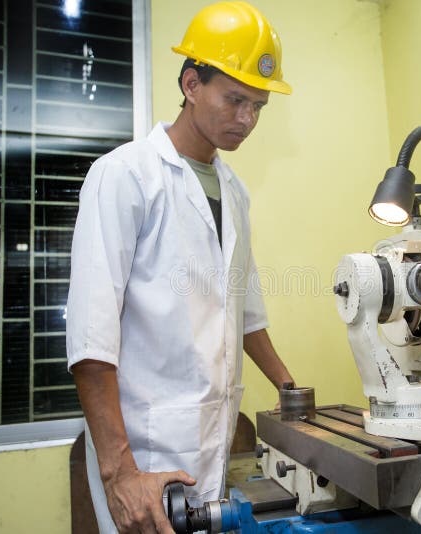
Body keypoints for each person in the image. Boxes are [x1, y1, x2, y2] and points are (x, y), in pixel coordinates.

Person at [66, 2, 294, 532]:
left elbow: (246, 311)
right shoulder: (124, 175)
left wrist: (290, 392)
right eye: (235, 100)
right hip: (143, 449)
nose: (247, 120)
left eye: (258, 106)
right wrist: (120, 473)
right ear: (191, 84)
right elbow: (91, 337)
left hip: (209, 441)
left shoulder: (234, 192)